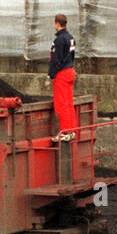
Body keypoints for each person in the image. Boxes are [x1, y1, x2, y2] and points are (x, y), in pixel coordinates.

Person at [48, 13, 77, 141]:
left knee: (61, 105)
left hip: (62, 74)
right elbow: (71, 56)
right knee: (69, 104)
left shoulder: (59, 40)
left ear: (57, 23)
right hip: (70, 71)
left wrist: (51, 75)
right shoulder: (70, 38)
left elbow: (56, 59)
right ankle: (72, 131)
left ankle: (65, 132)